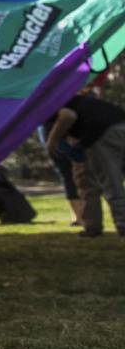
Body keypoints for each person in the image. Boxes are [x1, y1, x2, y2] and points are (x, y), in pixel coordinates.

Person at [43, 91, 125, 238]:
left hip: (102, 135)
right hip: (111, 128)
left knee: (110, 183)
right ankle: (91, 226)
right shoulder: (72, 97)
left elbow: (68, 116)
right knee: (86, 180)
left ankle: (121, 225)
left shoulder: (50, 102)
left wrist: (52, 139)